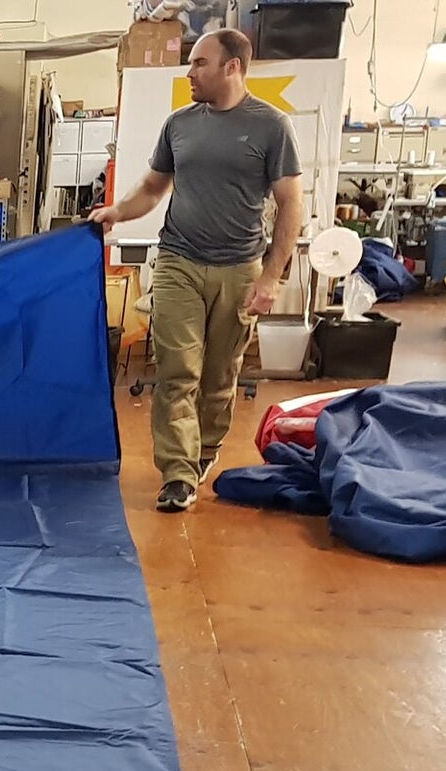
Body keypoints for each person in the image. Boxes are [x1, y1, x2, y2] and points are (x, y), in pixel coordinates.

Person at [91, 28, 304, 513]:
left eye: (199, 63)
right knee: (176, 371)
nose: (189, 72)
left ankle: (205, 449)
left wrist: (271, 277)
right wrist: (117, 212)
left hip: (240, 267)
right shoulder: (179, 124)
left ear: (233, 67)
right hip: (178, 260)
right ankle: (178, 473)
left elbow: (291, 204)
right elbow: (153, 186)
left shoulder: (272, 126)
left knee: (219, 377)